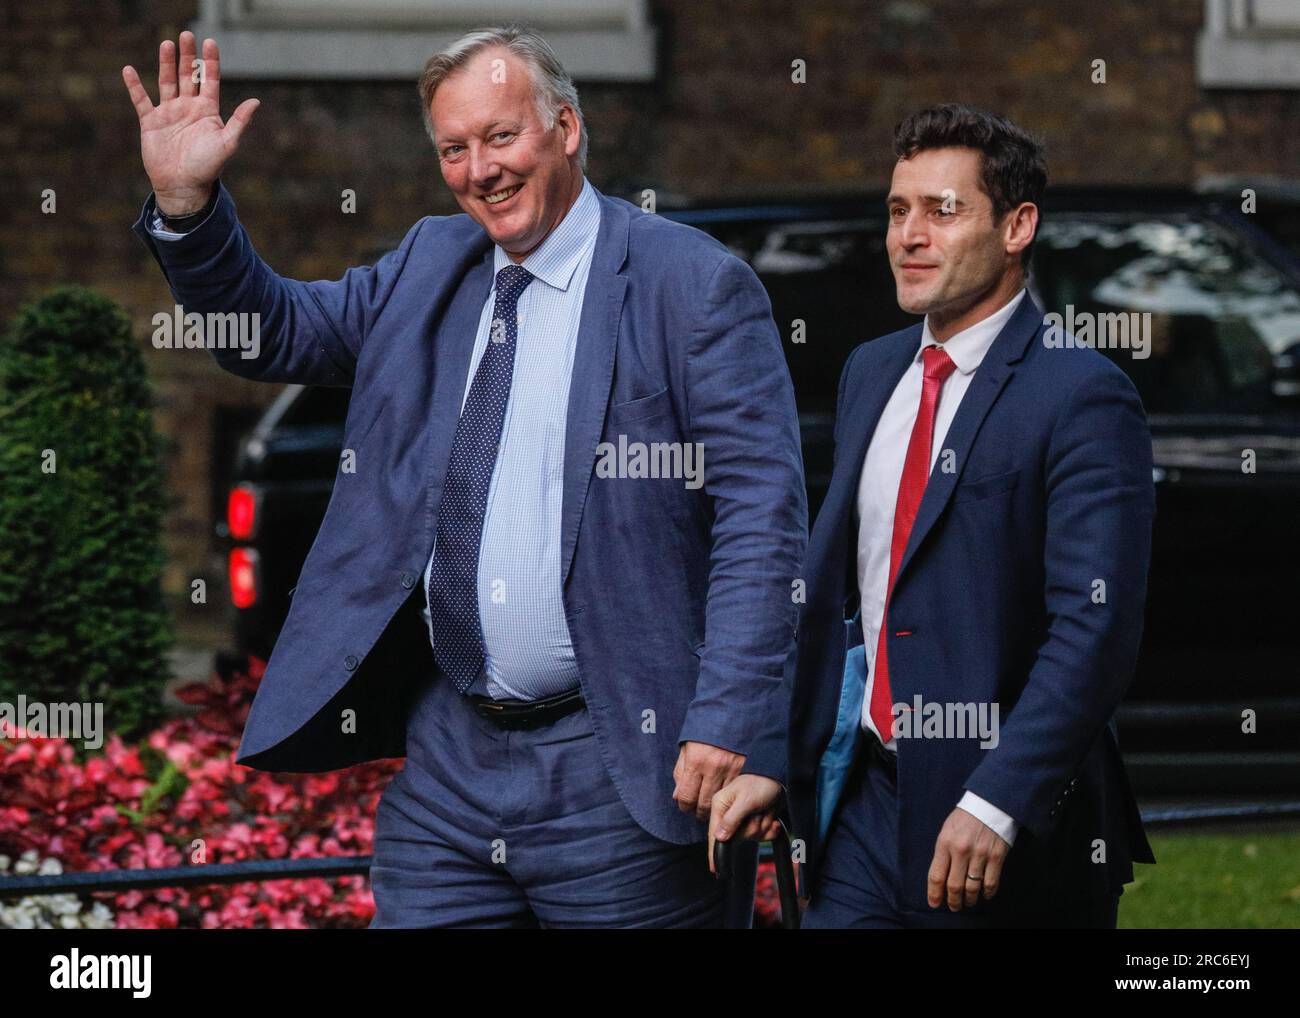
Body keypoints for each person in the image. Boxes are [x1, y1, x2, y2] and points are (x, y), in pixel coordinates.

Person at [123, 26, 804, 928]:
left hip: (619, 767)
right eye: (454, 147)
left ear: (566, 127)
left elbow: (763, 519)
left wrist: (728, 718)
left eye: (501, 136)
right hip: (453, 767)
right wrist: (189, 205)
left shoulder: (692, 285)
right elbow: (273, 331)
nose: (480, 168)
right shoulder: (430, 264)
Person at [713, 103, 1155, 928]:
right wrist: (776, 753)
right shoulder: (870, 371)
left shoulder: (1083, 394)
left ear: (1018, 225)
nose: (909, 235)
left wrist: (998, 800)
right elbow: (837, 599)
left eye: (942, 211)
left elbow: (1094, 632)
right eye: (897, 210)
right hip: (865, 806)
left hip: (1008, 828)